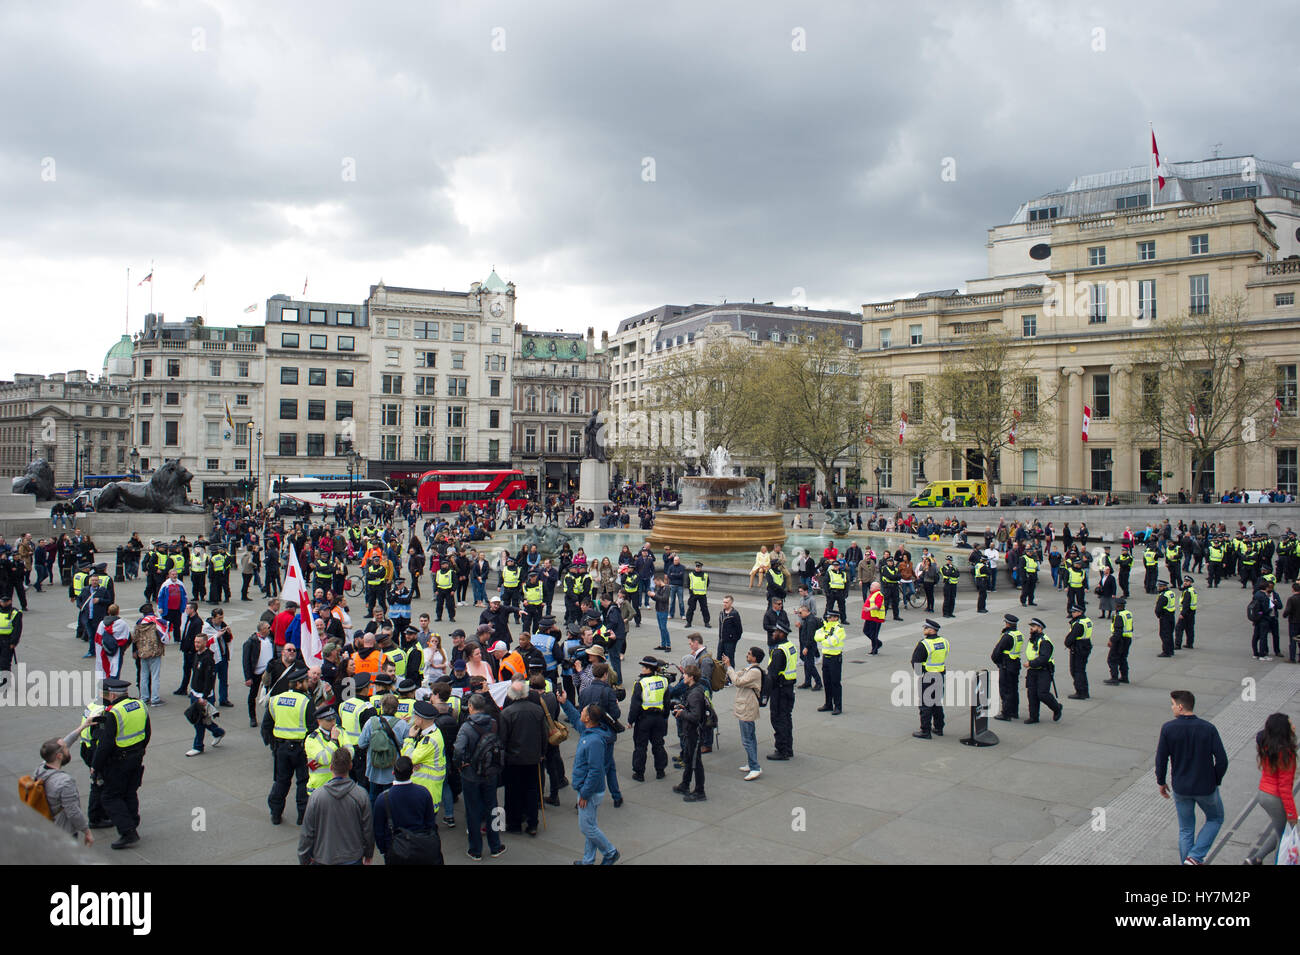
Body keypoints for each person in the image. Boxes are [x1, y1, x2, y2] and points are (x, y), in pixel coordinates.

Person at [1154, 690, 1228, 865]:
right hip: (1205, 787)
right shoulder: (1208, 728)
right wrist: (1215, 780)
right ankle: (1195, 857)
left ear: (1180, 707)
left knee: (1186, 829)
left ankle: (1189, 860)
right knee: (1215, 818)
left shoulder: (1168, 728)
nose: (1172, 708)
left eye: (1172, 704)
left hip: (1181, 787)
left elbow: (1161, 758)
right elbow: (1222, 760)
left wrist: (1161, 781)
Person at [90, 677, 150, 849]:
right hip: (137, 757)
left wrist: (96, 765)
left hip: (119, 761)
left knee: (110, 796)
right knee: (129, 792)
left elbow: (105, 744)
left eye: (105, 693)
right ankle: (132, 820)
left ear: (112, 695)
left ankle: (128, 832)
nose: (103, 696)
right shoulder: (140, 705)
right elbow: (147, 732)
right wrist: (139, 750)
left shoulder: (113, 713)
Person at [297, 747, 374, 865]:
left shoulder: (317, 796)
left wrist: (304, 858)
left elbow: (307, 832)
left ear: (331, 767)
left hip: (324, 857)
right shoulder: (360, 795)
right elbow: (367, 830)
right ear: (350, 766)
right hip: (352, 857)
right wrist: (368, 854)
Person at [453, 693, 507, 860]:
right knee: (493, 807)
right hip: (491, 772)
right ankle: (496, 846)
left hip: (471, 774)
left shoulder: (467, 727)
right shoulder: (493, 723)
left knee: (473, 811)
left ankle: (475, 849)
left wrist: (459, 765)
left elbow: (458, 750)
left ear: (470, 707)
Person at [261, 666, 317, 826]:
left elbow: (266, 725)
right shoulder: (306, 702)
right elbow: (312, 728)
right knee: (303, 782)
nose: (308, 683)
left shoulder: (275, 700)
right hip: (300, 749)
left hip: (281, 748)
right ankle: (302, 816)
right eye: (305, 681)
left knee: (281, 781)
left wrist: (273, 745)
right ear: (299, 684)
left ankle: (276, 813)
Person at [1244, 713, 1298, 865]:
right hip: (1275, 797)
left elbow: (1262, 734)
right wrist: (1291, 813)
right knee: (1284, 837)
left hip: (1263, 794)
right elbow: (1285, 788)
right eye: (1290, 723)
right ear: (1283, 729)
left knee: (1281, 828)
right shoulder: (1285, 753)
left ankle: (1257, 858)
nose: (1293, 726)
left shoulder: (1268, 745)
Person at [373, 755, 443, 865]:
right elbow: (430, 823)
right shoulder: (423, 793)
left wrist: (384, 851)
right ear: (412, 772)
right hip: (421, 848)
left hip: (396, 851)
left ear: (393, 772)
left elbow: (379, 831)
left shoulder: (382, 799)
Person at [573, 703, 619, 864]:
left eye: (583, 711)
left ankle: (610, 852)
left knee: (587, 828)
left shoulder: (593, 741)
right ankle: (588, 860)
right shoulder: (590, 731)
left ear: (588, 718)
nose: (581, 711)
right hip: (589, 788)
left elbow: (595, 770)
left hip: (590, 791)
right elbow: (574, 718)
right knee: (590, 825)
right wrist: (565, 703)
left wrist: (585, 793)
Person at [499, 680, 546, 835]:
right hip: (533, 758)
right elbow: (543, 735)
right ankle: (532, 823)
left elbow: (503, 739)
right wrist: (542, 753)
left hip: (514, 760)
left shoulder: (506, 713)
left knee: (513, 792)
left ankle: (514, 823)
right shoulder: (537, 710)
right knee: (532, 791)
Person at [33, 736, 94, 846]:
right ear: (59, 756)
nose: (68, 749)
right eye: (66, 748)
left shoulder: (40, 769)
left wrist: (81, 728)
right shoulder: (65, 782)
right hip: (63, 830)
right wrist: (86, 831)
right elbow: (73, 812)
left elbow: (62, 744)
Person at [723, 645, 765, 779]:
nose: (747, 655)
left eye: (749, 654)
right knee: (749, 737)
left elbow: (738, 681)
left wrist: (729, 667)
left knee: (747, 739)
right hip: (745, 706)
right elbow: (738, 675)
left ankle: (755, 767)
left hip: (748, 707)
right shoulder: (750, 669)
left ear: (755, 658)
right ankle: (751, 763)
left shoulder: (755, 672)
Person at [671, 664, 709, 802]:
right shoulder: (695, 690)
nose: (683, 677)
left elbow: (695, 716)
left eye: (685, 675)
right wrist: (684, 707)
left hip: (694, 732)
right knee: (689, 758)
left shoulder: (694, 694)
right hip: (691, 732)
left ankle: (700, 791)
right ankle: (685, 784)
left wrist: (682, 713)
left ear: (691, 677)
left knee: (695, 761)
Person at [628, 655, 669, 782]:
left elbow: (635, 705)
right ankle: (660, 770)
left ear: (648, 669)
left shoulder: (641, 683)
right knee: (658, 745)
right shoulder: (663, 681)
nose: (642, 669)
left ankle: (639, 773)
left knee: (640, 746)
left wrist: (631, 720)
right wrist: (665, 716)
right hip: (659, 718)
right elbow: (667, 701)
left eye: (643, 667)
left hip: (644, 719)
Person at [185, 633, 227, 756]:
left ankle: (198, 746)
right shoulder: (197, 655)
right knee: (201, 720)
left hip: (203, 696)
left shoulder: (208, 659)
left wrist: (204, 696)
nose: (196, 644)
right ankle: (218, 732)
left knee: (199, 722)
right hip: (195, 693)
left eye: (199, 642)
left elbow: (210, 679)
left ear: (204, 643)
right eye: (195, 642)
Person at [911, 619, 948, 740]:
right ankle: (939, 727)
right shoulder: (944, 641)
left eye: (925, 628)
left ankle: (925, 731)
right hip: (940, 675)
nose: (924, 630)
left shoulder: (924, 644)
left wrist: (919, 673)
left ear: (931, 630)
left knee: (925, 704)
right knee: (937, 702)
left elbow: (916, 661)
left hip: (928, 677)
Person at [765, 624, 797, 762]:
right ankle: (788, 748)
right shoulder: (790, 646)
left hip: (780, 689)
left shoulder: (778, 652)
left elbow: (772, 674)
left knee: (778, 719)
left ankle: (781, 750)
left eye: (776, 632)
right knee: (786, 718)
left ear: (781, 634)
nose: (773, 634)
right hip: (789, 687)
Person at [1023, 618, 1062, 724]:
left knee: (1042, 694)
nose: (1031, 628)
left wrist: (1030, 663)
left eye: (1034, 626)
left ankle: (1057, 708)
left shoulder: (1044, 641)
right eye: (1031, 626)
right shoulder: (1033, 639)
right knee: (1032, 694)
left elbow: (1044, 658)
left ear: (1040, 628)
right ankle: (1034, 717)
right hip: (1032, 670)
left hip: (1044, 670)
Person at [991, 613, 1024, 721]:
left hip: (1006, 664)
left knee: (1005, 690)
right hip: (1015, 664)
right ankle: (1014, 711)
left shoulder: (1008, 636)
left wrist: (997, 661)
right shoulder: (1019, 634)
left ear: (1008, 624)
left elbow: (997, 651)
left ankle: (1006, 713)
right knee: (1014, 689)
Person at [814, 608, 846, 715]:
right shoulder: (826, 626)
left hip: (835, 658)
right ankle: (828, 704)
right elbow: (816, 636)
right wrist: (826, 637)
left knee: (835, 682)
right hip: (826, 658)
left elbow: (832, 642)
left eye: (831, 617)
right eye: (828, 617)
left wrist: (824, 638)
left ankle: (838, 706)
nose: (828, 619)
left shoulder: (839, 629)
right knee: (827, 682)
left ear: (836, 618)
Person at [1063, 605, 1092, 701]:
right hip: (1085, 644)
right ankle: (1085, 691)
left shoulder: (1079, 624)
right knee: (1081, 670)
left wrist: (1067, 643)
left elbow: (1072, 637)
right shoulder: (1087, 620)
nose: (1072, 613)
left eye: (1074, 612)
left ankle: (1080, 692)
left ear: (1080, 612)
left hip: (1079, 647)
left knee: (1076, 670)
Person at [1103, 598, 1134, 685]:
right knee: (1122, 658)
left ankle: (1114, 678)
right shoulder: (1128, 613)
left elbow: (1118, 631)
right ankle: (1124, 677)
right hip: (1127, 638)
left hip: (1120, 640)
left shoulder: (1119, 616)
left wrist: (1112, 640)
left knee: (1112, 659)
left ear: (1117, 606)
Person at [1174, 575, 1198, 650]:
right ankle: (1190, 643)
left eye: (1187, 582)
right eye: (1184, 581)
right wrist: (1182, 586)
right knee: (1189, 628)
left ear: (1190, 583)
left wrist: (1182, 614)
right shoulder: (1192, 590)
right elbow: (1181, 588)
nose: (1185, 583)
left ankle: (1177, 645)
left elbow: (1186, 604)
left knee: (1179, 628)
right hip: (1192, 612)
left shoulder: (1188, 592)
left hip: (1186, 612)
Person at [1154, 580, 1177, 658]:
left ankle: (1166, 652)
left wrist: (1158, 615)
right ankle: (1171, 650)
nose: (1159, 588)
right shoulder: (1171, 593)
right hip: (1171, 615)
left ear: (1164, 586)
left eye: (1160, 586)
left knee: (1164, 634)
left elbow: (1158, 609)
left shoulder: (1163, 596)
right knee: (1169, 634)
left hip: (1165, 617)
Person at [685, 561, 711, 628]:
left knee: (704, 609)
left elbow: (707, 584)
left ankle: (707, 622)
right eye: (696, 566)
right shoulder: (690, 575)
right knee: (691, 609)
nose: (697, 568)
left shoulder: (705, 575)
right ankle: (688, 622)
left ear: (701, 567)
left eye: (699, 567)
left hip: (702, 595)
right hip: (693, 595)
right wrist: (691, 592)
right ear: (695, 567)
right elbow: (688, 584)